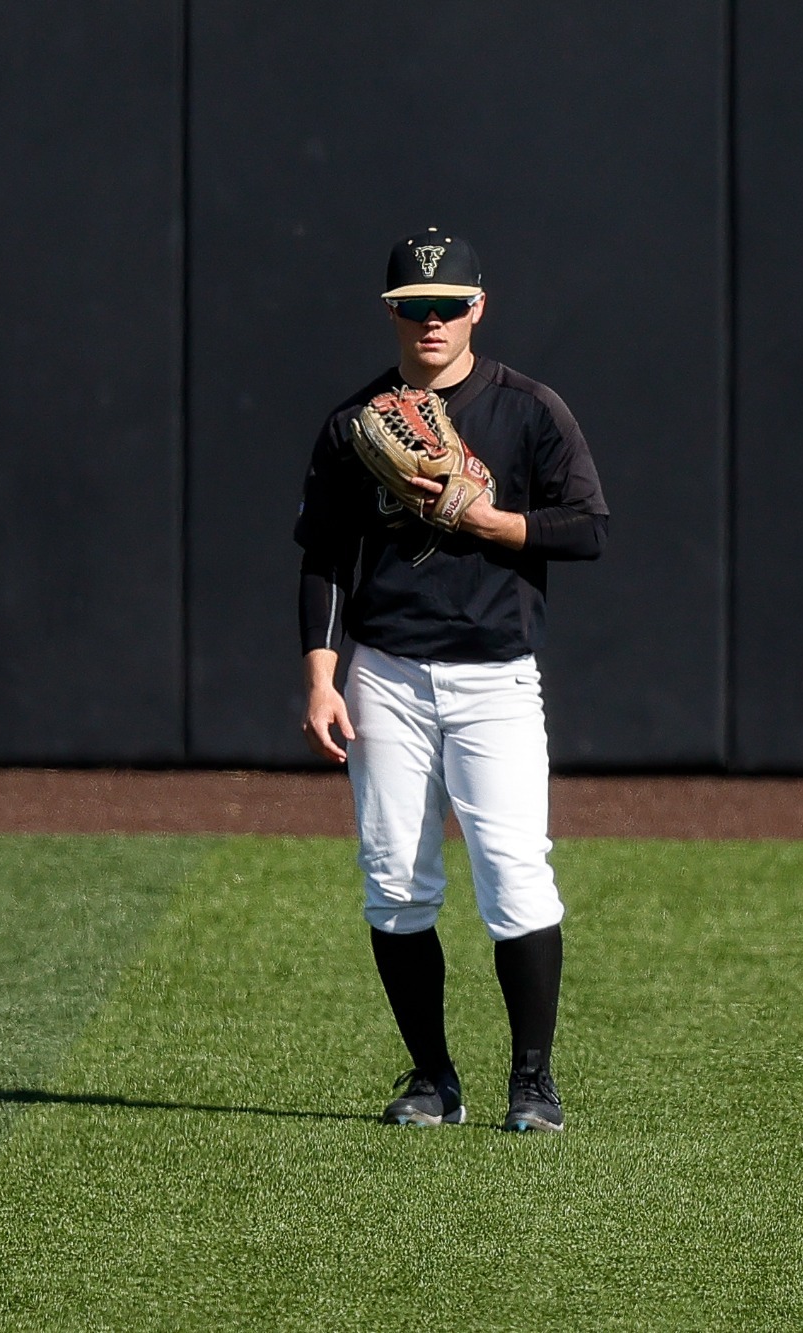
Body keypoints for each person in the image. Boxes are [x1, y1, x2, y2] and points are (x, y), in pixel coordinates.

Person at [294, 227, 608, 1132]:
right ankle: (432, 1078)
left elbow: (587, 527)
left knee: (514, 876)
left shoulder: (527, 411)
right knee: (394, 881)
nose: (430, 321)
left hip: (496, 677)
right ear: (392, 314)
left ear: (477, 307)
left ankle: (533, 1082)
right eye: (412, 308)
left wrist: (492, 519)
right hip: (384, 673)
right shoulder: (357, 422)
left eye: (446, 306)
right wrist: (322, 679)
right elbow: (324, 554)